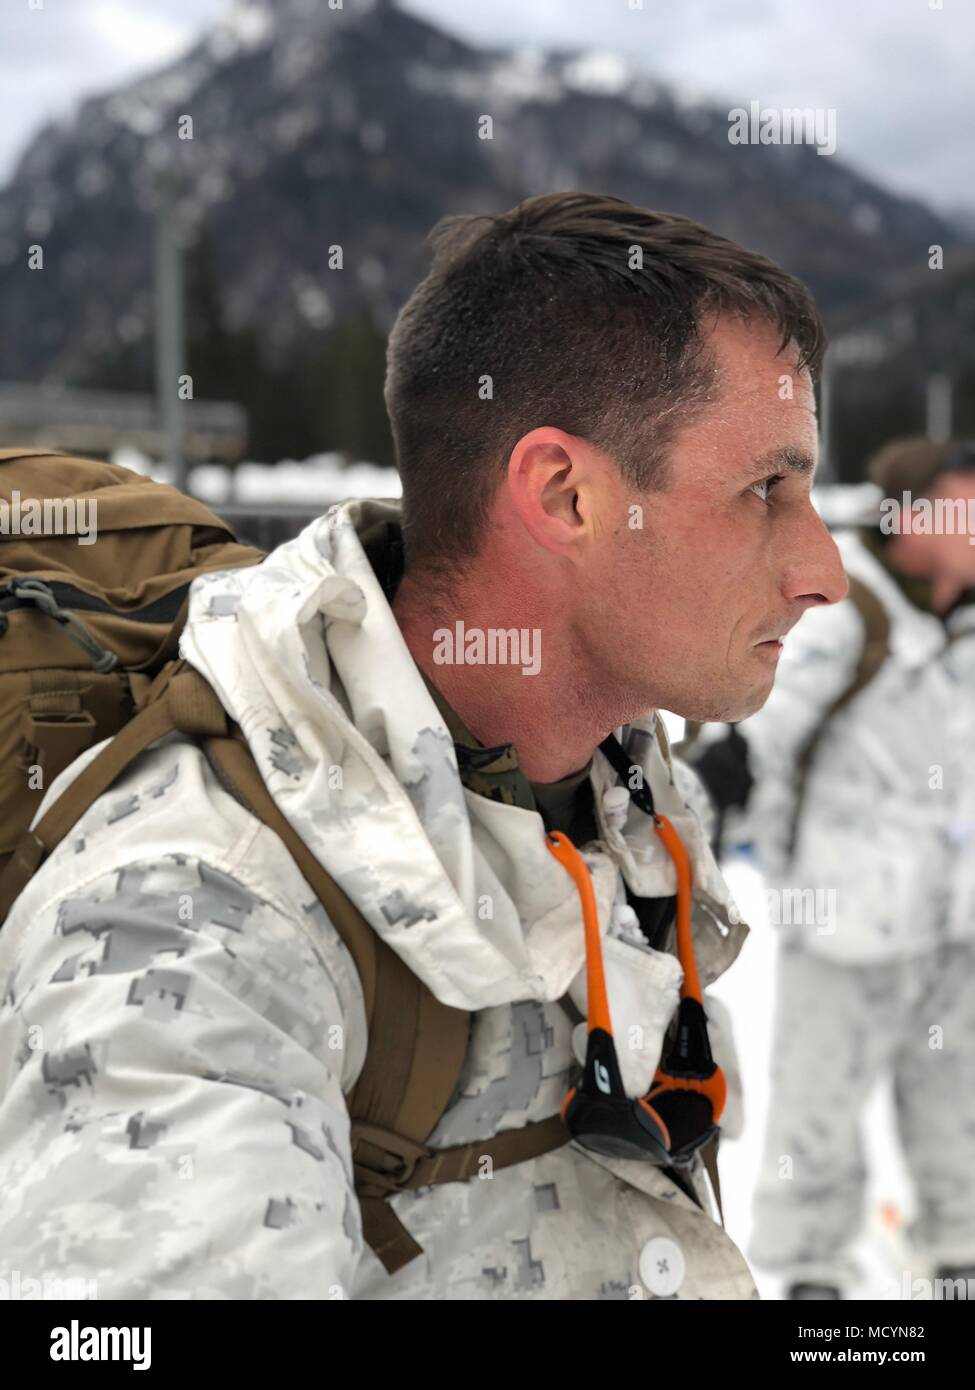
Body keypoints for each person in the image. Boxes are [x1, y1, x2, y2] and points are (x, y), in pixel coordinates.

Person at [0, 190, 846, 1300]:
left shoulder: (612, 796)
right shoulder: (195, 928)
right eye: (766, 489)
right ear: (565, 495)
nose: (823, 568)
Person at [732, 437, 975, 1299]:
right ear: (910, 520)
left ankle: (957, 1255)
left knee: (958, 1106)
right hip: (843, 917)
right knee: (817, 1109)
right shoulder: (842, 617)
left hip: (955, 923)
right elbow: (761, 731)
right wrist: (722, 784)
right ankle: (809, 1281)